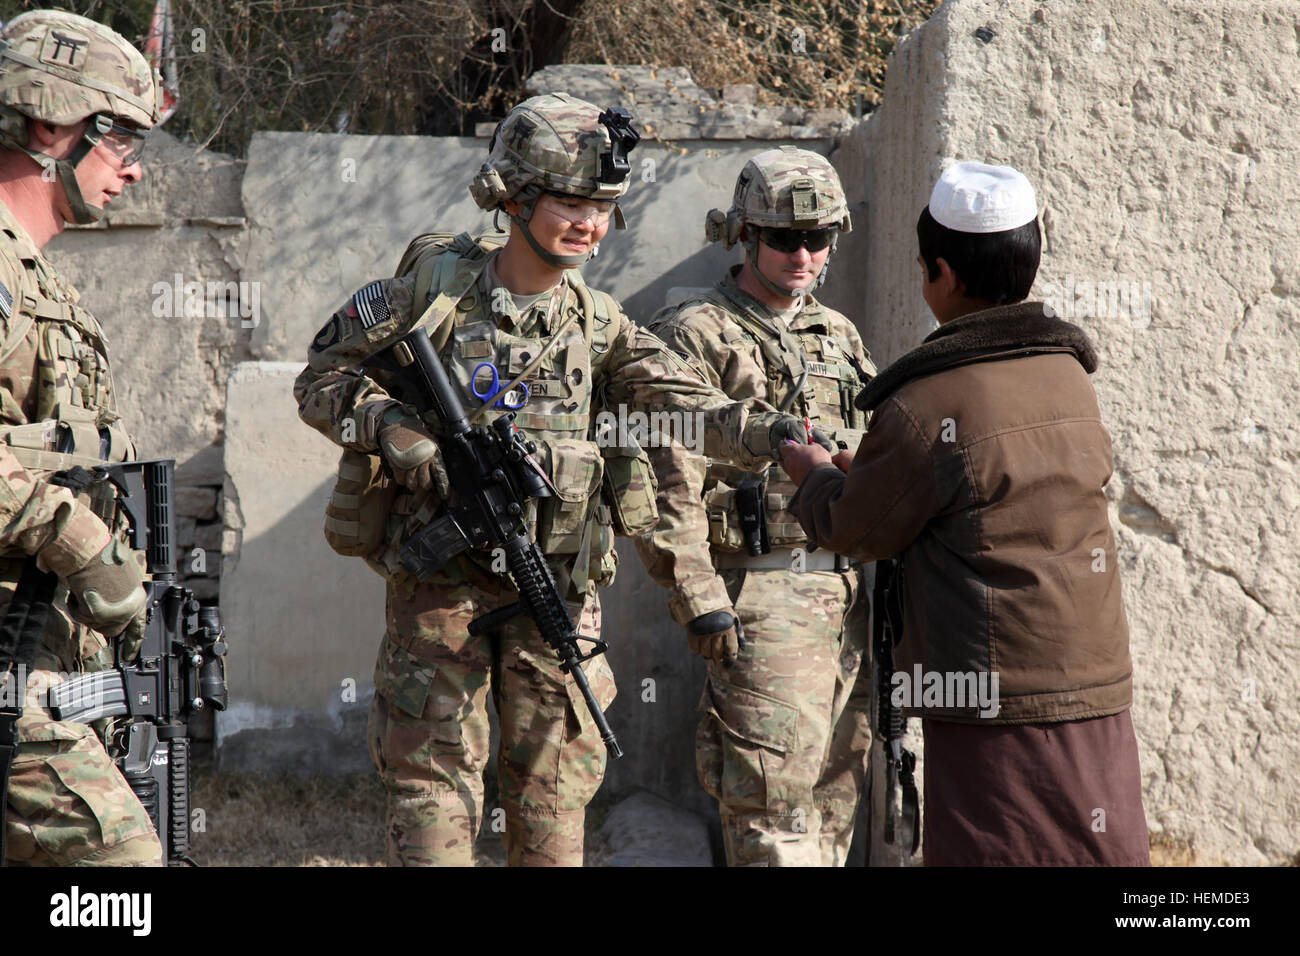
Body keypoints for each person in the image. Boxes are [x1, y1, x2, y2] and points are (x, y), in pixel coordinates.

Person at [294, 93, 814, 867]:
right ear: (517, 196)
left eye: (603, 207)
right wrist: (390, 427)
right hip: (442, 593)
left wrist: (771, 433)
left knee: (555, 799)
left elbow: (680, 401)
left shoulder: (600, 324)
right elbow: (319, 380)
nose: (589, 224)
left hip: (558, 593)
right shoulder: (430, 291)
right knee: (432, 788)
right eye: (572, 201)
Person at [781, 161, 1150, 866]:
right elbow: (987, 493)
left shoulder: (926, 401)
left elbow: (857, 528)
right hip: (1091, 673)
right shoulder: (1066, 373)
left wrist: (816, 476)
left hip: (996, 691)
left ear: (941, 274)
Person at [634, 147, 876, 866]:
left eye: (818, 238)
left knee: (838, 798)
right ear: (745, 235)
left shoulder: (838, 336)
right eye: (783, 238)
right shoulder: (693, 331)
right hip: (765, 593)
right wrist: (697, 595)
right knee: (772, 808)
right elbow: (663, 480)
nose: (803, 254)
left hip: (850, 593)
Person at [0, 10, 162, 866]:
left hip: (35, 643)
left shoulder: (37, 275)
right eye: (121, 141)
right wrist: (87, 546)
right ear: (53, 125)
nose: (134, 171)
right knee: (117, 871)